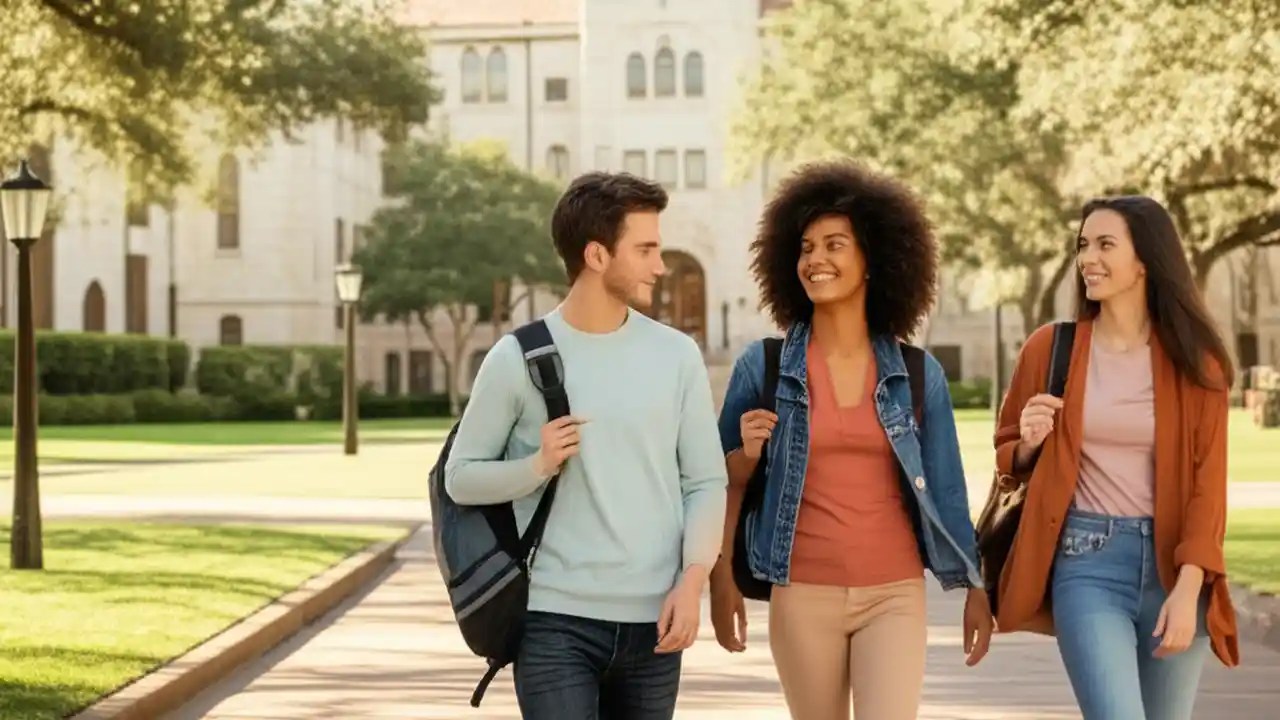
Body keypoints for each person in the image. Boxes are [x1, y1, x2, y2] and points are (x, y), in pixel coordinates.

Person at [710, 159, 993, 720]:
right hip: (801, 594)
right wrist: (722, 582)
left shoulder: (917, 374)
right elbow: (718, 484)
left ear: (872, 260)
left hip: (893, 593)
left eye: (834, 244)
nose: (816, 259)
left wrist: (978, 587)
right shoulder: (762, 368)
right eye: (807, 247)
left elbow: (948, 489)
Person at [444, 171, 728, 719]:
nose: (660, 265)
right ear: (597, 255)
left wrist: (693, 582)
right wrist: (536, 465)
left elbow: (705, 480)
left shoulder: (676, 355)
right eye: (645, 249)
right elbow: (462, 476)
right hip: (554, 624)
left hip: (656, 625)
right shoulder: (517, 357)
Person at [993, 195, 1240, 720]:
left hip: (1176, 569)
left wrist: (1189, 585)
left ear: (1145, 260)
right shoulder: (1049, 349)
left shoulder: (1198, 363)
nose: (1088, 258)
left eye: (1106, 244)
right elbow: (1006, 457)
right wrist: (1031, 443)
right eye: (1083, 245)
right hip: (1087, 563)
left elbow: (1208, 485)